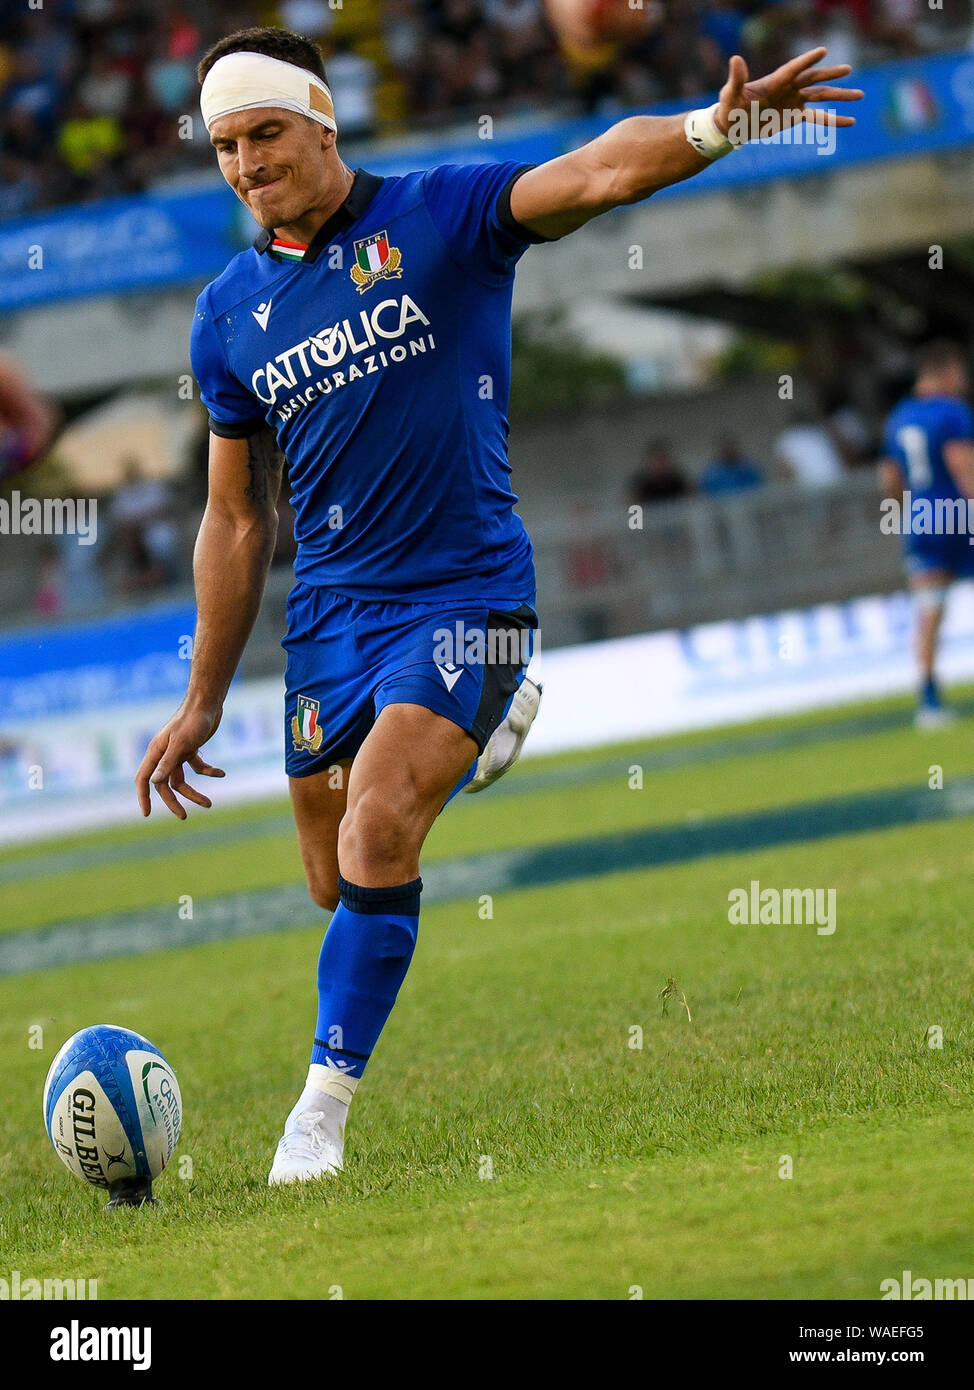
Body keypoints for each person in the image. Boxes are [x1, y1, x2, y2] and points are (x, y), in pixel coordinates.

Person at [135, 25, 860, 1185]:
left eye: (264, 132)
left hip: (462, 588)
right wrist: (200, 699)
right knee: (338, 885)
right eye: (224, 144)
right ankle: (487, 728)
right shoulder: (227, 312)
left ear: (320, 120)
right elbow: (233, 520)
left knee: (378, 826)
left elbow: (590, 170)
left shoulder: (441, 216)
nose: (245, 161)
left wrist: (714, 126)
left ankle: (315, 1116)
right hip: (328, 617)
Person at [880, 341, 974, 728]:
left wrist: (905, 516)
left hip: (923, 521)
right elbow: (962, 466)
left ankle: (929, 700)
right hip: (960, 517)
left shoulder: (898, 418)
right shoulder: (952, 412)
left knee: (930, 610)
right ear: (947, 371)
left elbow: (889, 478)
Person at [629, 438, 691, 506]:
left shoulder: (678, 480)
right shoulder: (641, 484)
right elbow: (632, 505)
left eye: (664, 459)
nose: (662, 464)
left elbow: (690, 500)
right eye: (658, 460)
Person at [699, 437, 763, 495]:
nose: (729, 451)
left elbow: (759, 489)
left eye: (731, 447)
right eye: (724, 449)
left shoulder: (750, 469)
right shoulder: (711, 475)